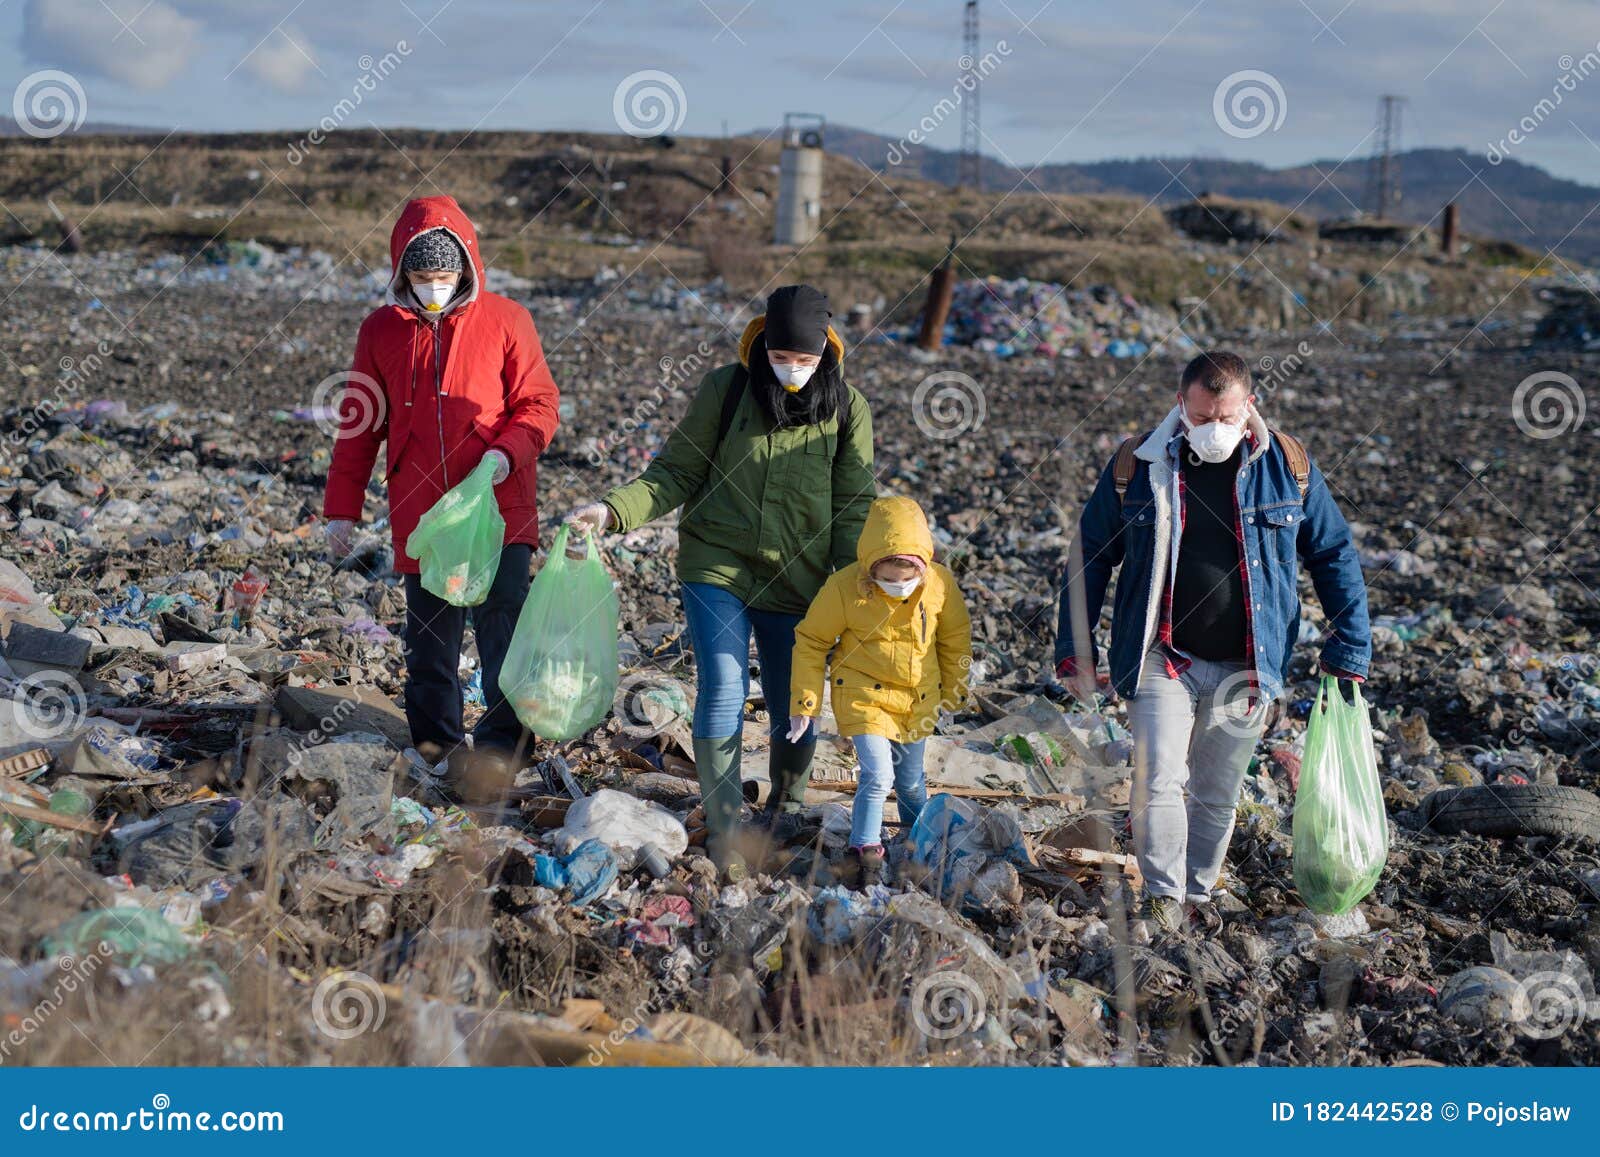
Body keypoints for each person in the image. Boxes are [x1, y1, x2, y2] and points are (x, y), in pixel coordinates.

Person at [566, 285, 876, 878]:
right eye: (784, 358)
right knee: (726, 687)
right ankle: (726, 828)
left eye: (807, 362)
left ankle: (786, 810)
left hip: (801, 579)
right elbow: (676, 472)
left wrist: (847, 590)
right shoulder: (726, 390)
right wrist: (610, 511)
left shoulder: (847, 408)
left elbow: (854, 506)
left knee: (795, 703)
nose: (794, 371)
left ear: (827, 356)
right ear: (763, 349)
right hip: (718, 563)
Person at [1055, 351, 1370, 932]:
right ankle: (1162, 895)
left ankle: (1199, 893)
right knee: (1157, 780)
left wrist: (1349, 646)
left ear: (1250, 405)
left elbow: (1333, 555)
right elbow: (1091, 556)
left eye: (1227, 416)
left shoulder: (1289, 466)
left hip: (1246, 664)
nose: (1215, 430)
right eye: (1203, 417)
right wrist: (1075, 650)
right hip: (1162, 654)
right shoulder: (1139, 463)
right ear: (1182, 406)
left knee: (1217, 790)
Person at [322, 195, 560, 802]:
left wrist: (506, 451)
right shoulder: (380, 330)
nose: (435, 289)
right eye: (423, 278)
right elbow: (361, 424)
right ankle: (438, 750)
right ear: (403, 274)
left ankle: (503, 754)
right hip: (424, 515)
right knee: (431, 638)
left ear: (467, 268)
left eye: (446, 276)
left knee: (501, 628)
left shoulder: (507, 320)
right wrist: (341, 511)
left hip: (500, 506)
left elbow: (539, 404)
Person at [789, 496, 972, 887]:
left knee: (909, 781)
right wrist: (806, 703)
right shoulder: (844, 588)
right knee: (878, 774)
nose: (898, 585)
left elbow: (955, 639)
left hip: (916, 700)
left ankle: (916, 843)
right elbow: (811, 640)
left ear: (923, 567)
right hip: (862, 692)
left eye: (907, 578)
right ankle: (864, 852)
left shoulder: (940, 585)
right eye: (888, 577)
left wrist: (955, 691)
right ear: (871, 566)